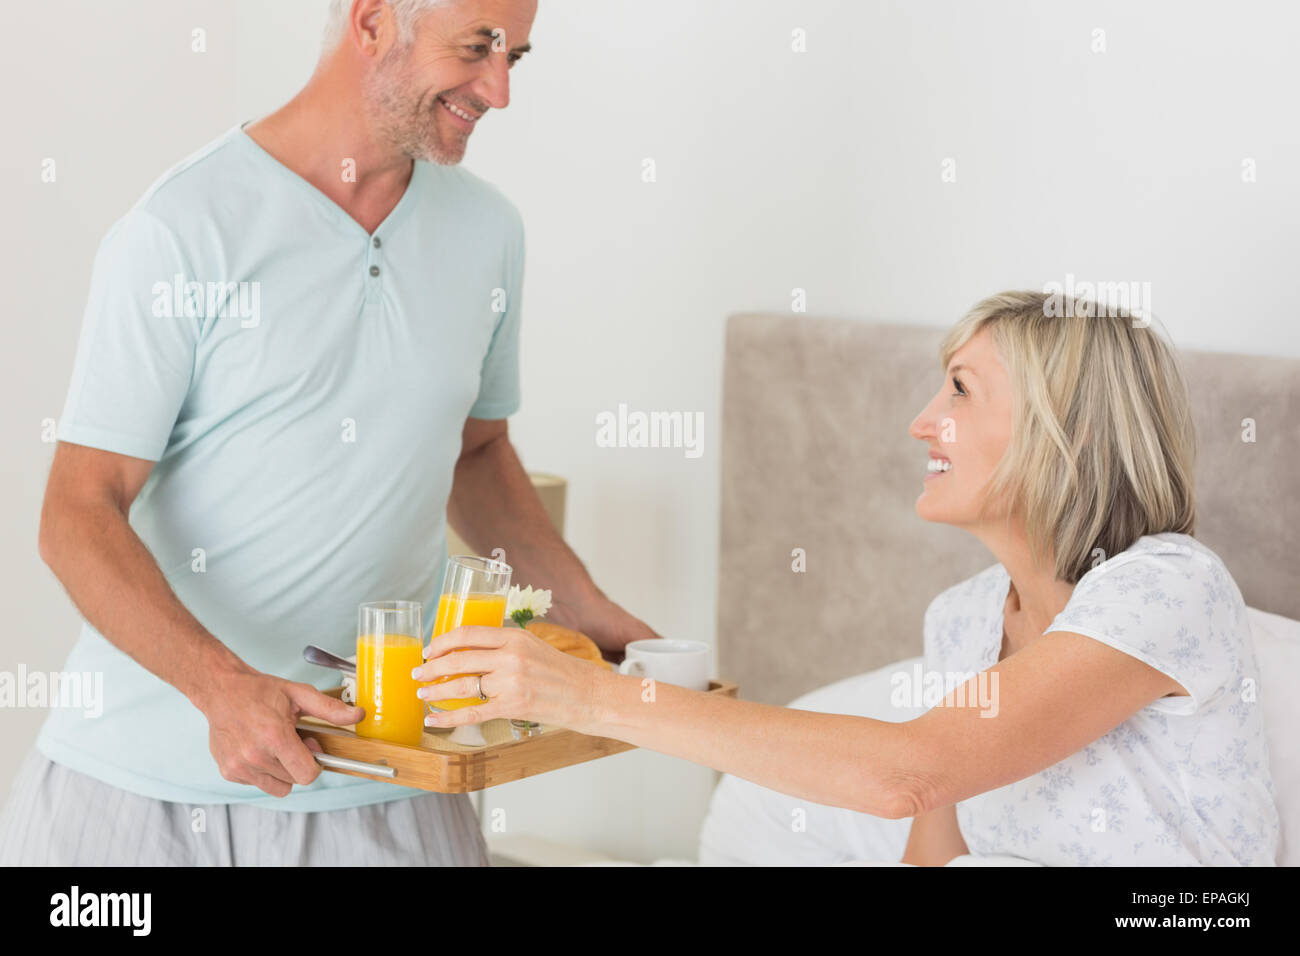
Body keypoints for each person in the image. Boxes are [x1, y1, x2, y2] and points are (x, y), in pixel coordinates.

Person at [0, 0, 660, 867]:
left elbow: (478, 449)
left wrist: (586, 611)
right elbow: (77, 513)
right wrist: (221, 686)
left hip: (395, 782)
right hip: (139, 793)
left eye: (516, 58)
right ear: (374, 21)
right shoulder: (182, 229)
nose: (499, 89)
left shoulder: (488, 232)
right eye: (478, 48)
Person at [417, 291, 1282, 866]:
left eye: (959, 391)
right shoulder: (966, 618)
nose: (922, 422)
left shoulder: (1168, 586)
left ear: (1074, 432)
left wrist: (591, 698)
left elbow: (911, 771)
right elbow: (933, 848)